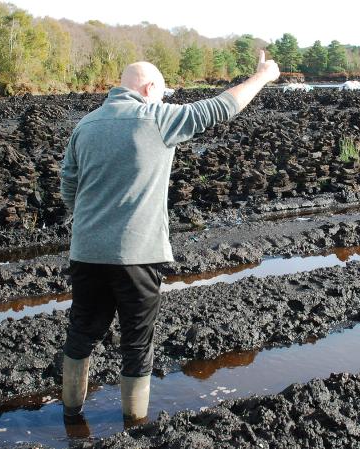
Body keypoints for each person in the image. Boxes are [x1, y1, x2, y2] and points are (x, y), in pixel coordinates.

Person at [59, 50, 280, 424]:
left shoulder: (86, 125)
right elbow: (221, 107)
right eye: (162, 94)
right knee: (136, 343)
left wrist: (90, 221)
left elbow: (68, 187)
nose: (164, 101)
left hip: (86, 251)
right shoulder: (157, 117)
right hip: (137, 256)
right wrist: (262, 76)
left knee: (82, 333)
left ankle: (71, 417)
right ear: (149, 88)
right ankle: (133, 426)